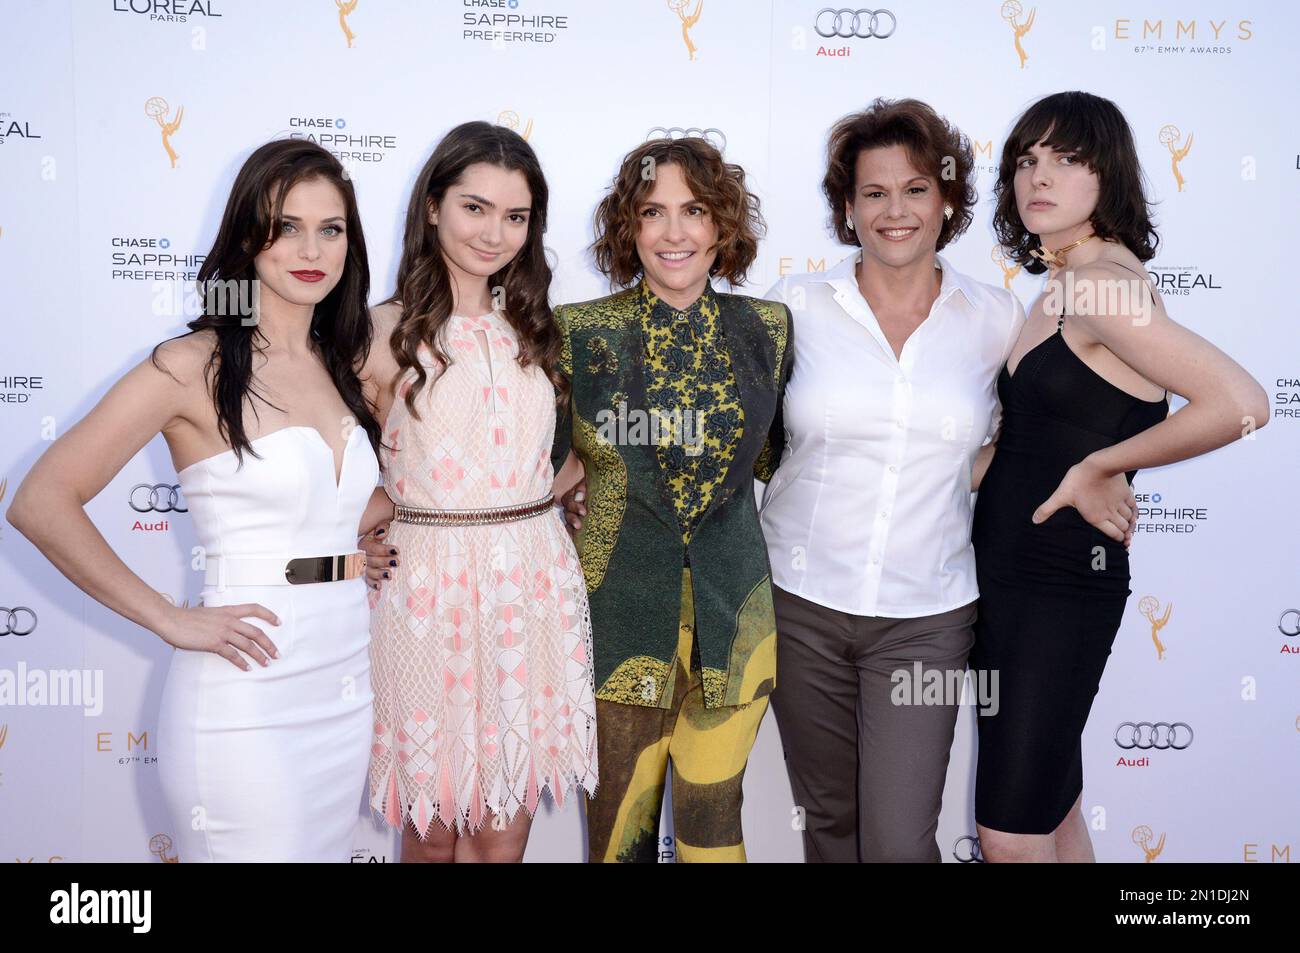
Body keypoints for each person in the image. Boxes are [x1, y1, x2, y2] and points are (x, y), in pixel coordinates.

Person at [6, 139, 388, 861]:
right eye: (286, 227)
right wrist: (166, 614)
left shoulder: (340, 364)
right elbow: (40, 499)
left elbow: (335, 503)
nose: (312, 248)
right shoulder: (190, 366)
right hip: (245, 699)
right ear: (248, 237)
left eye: (331, 228)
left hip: (342, 684)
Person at [972, 90, 1269, 862]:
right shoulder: (1063, 283)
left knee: (1009, 834)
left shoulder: (1102, 284)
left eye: (1066, 159)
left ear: (1108, 173)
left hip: (1057, 586)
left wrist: (1104, 464)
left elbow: (1241, 403)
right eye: (1026, 161)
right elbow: (1027, 444)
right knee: (1057, 809)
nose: (1039, 176)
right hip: (1008, 580)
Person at [756, 99, 1024, 861]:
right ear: (848, 207)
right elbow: (735, 435)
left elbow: (1044, 432)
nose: (895, 210)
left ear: (946, 201)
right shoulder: (796, 308)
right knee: (830, 826)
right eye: (874, 193)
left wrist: (1100, 470)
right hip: (799, 606)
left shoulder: (996, 317)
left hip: (928, 619)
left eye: (916, 189)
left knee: (900, 841)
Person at [358, 121, 597, 863]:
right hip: (425, 590)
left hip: (530, 585)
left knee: (504, 825)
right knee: (429, 828)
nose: (494, 232)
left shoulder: (536, 331)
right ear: (432, 206)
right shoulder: (377, 333)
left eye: (516, 216)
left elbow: (535, 459)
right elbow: (332, 469)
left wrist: (571, 484)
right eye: (474, 207)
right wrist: (369, 526)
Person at [554, 136, 791, 862]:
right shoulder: (578, 332)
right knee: (616, 838)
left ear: (723, 224)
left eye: (694, 210)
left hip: (738, 619)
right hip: (615, 614)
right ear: (629, 229)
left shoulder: (769, 329)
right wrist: (569, 493)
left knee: (714, 825)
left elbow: (779, 456)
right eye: (652, 212)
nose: (674, 232)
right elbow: (542, 466)